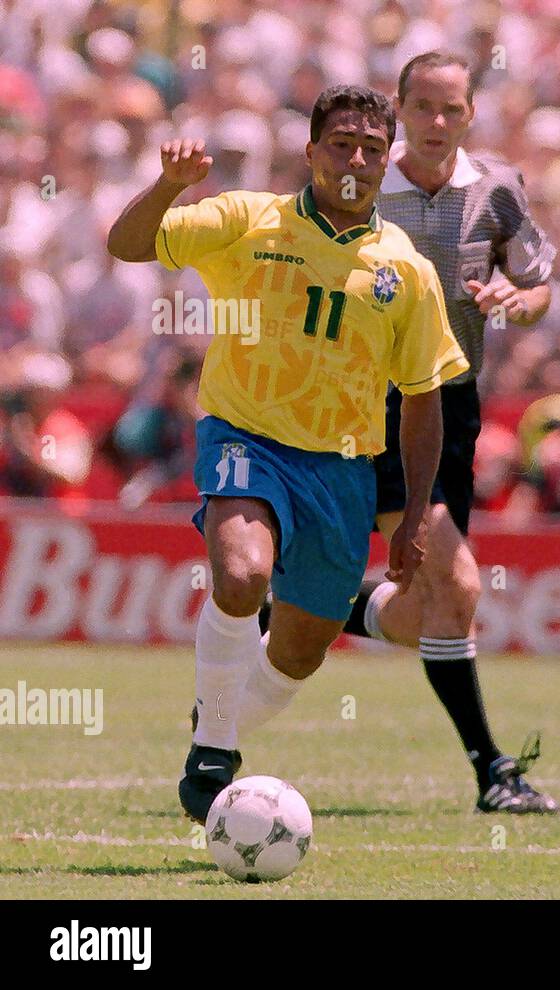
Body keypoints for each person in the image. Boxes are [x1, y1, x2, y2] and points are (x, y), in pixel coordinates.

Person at [107, 84, 468, 822]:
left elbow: (424, 396)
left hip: (341, 470)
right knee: (241, 576)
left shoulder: (407, 271)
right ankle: (212, 749)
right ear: (310, 153)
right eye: (341, 144)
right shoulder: (247, 219)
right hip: (245, 437)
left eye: (372, 149)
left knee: (300, 652)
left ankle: (222, 730)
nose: (356, 160)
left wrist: (415, 517)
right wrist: (169, 187)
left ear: (387, 163)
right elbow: (127, 244)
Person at [335, 51, 559, 813]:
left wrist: (513, 300)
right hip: (369, 410)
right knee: (456, 584)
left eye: (452, 109)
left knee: (424, 604)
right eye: (423, 107)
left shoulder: (496, 189)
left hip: (452, 408)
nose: (437, 122)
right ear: (398, 112)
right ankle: (492, 772)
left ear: (471, 115)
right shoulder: (360, 191)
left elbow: (538, 287)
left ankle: (292, 608)